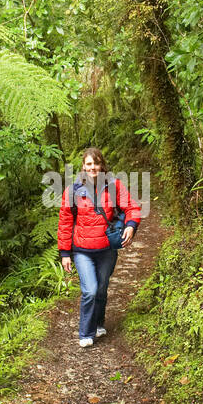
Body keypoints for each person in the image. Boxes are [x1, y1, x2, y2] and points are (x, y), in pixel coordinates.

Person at [57, 147, 142, 347]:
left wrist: (131, 225)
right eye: (89, 164)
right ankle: (86, 333)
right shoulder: (73, 190)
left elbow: (132, 207)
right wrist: (64, 253)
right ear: (83, 167)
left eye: (96, 163)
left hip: (106, 250)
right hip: (81, 250)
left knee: (102, 288)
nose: (93, 167)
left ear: (101, 165)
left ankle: (98, 323)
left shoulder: (114, 186)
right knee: (90, 290)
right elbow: (65, 222)